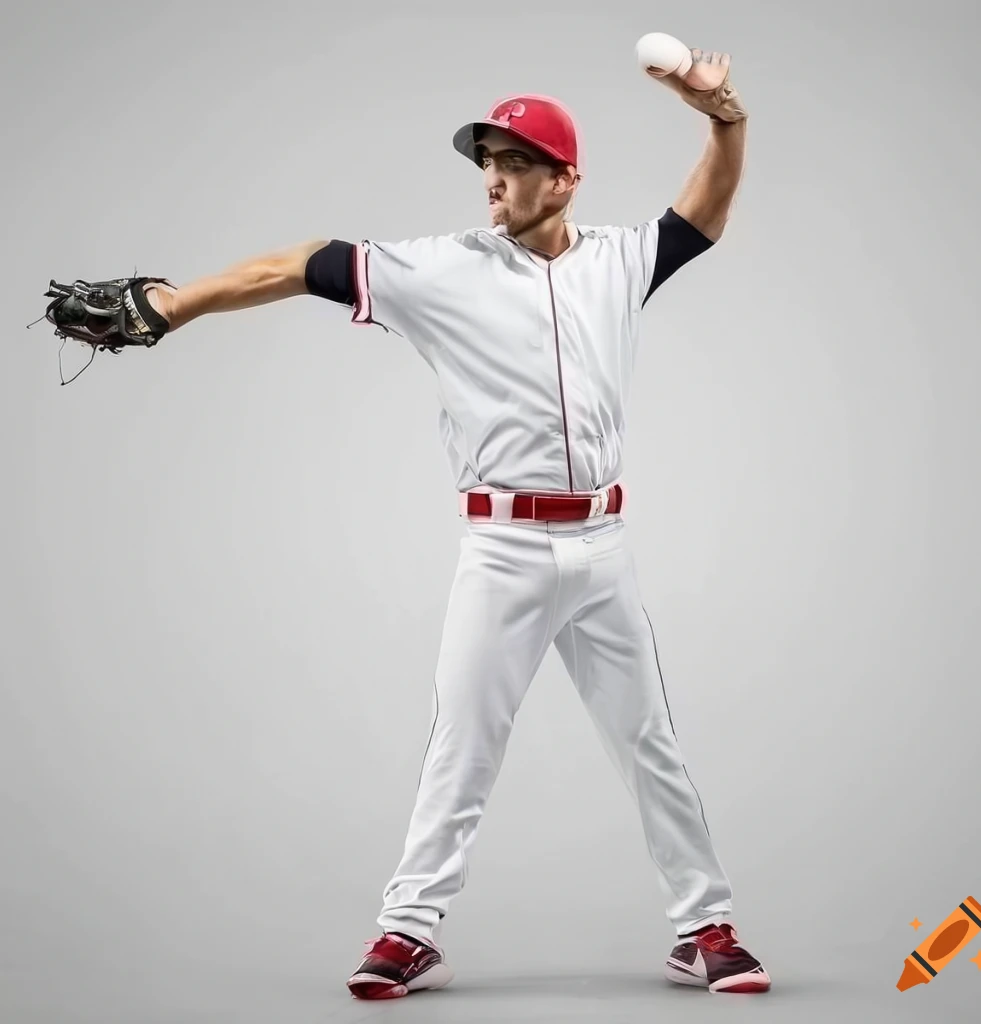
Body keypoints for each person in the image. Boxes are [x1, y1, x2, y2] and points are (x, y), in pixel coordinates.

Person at [139, 50, 769, 1002]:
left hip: (603, 550)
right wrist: (176, 306)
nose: (493, 175)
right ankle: (406, 930)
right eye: (487, 156)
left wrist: (723, 118)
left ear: (564, 178)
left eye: (515, 158)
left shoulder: (616, 260)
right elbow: (297, 264)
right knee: (462, 747)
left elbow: (701, 218)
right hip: (504, 548)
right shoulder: (439, 270)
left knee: (651, 743)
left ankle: (706, 926)